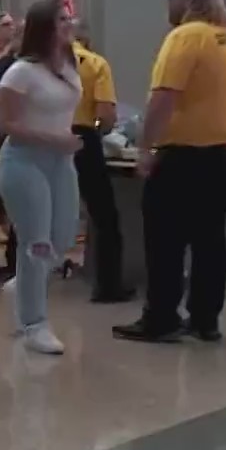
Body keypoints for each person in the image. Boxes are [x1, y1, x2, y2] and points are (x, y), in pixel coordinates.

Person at [115, 0, 226, 344]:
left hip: (186, 157)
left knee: (165, 239)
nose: (167, 5)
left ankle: (161, 317)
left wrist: (145, 149)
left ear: (189, 1)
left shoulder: (185, 36)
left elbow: (164, 97)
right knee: (210, 239)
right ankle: (206, 319)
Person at [0, 0, 85, 355]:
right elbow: (5, 125)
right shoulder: (21, 72)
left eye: (69, 18)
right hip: (24, 162)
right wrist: (54, 138)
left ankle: (24, 284)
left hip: (61, 162)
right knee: (38, 243)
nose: (69, 24)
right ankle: (35, 323)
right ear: (44, 26)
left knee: (62, 238)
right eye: (61, 19)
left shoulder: (68, 66)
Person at [70, 20, 133, 303]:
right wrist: (97, 128)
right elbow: (105, 114)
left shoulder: (42, 62)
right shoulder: (95, 64)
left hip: (44, 136)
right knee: (104, 215)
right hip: (83, 138)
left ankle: (19, 273)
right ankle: (108, 285)